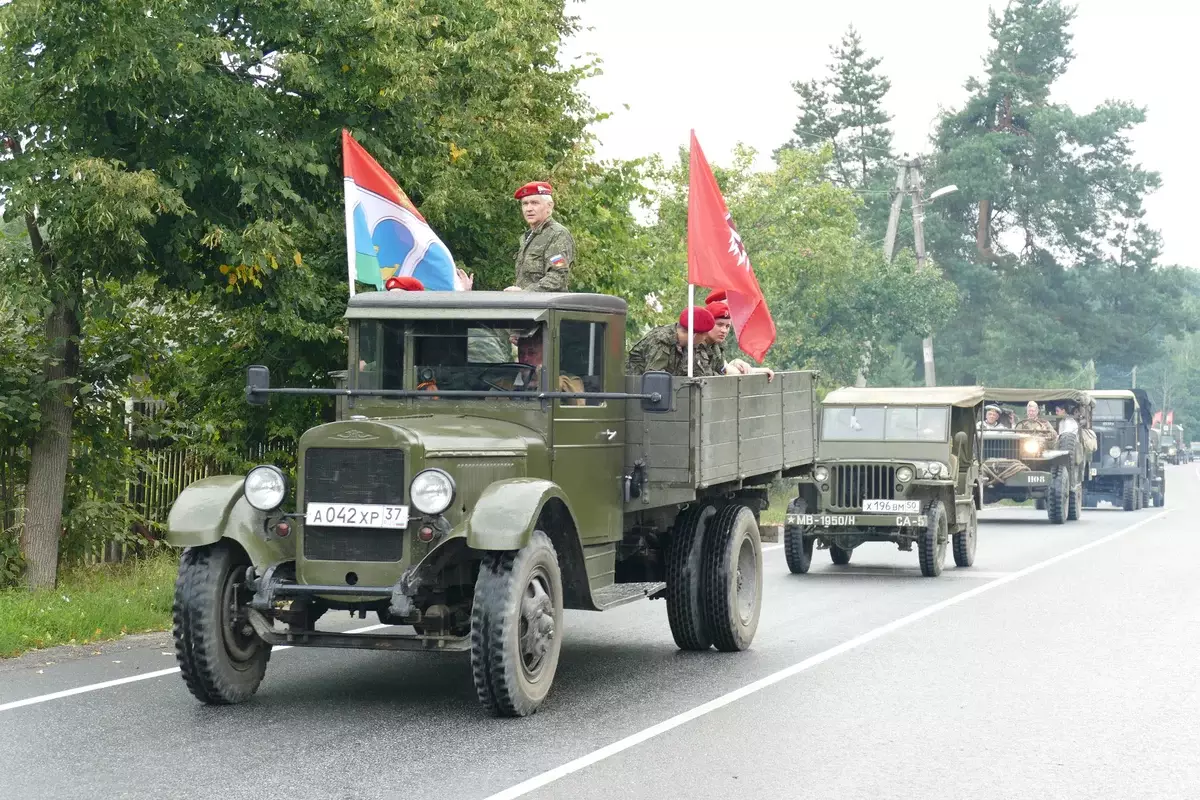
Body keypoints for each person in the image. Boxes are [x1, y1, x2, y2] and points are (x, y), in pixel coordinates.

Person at [505, 181, 575, 293]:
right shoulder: (529, 237)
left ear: (549, 206)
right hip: (529, 305)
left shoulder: (557, 234)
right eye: (525, 203)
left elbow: (558, 276)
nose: (529, 208)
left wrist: (525, 292)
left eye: (534, 203)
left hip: (547, 307)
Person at [702, 290, 776, 381]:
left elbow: (724, 370)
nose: (724, 330)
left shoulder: (714, 345)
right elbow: (709, 377)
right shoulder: (695, 343)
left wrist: (756, 371)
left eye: (727, 326)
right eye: (719, 324)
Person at [626, 307, 716, 376]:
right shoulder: (661, 340)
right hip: (634, 393)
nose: (705, 338)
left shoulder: (689, 345)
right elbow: (655, 379)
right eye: (704, 334)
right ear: (694, 334)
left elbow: (698, 374)